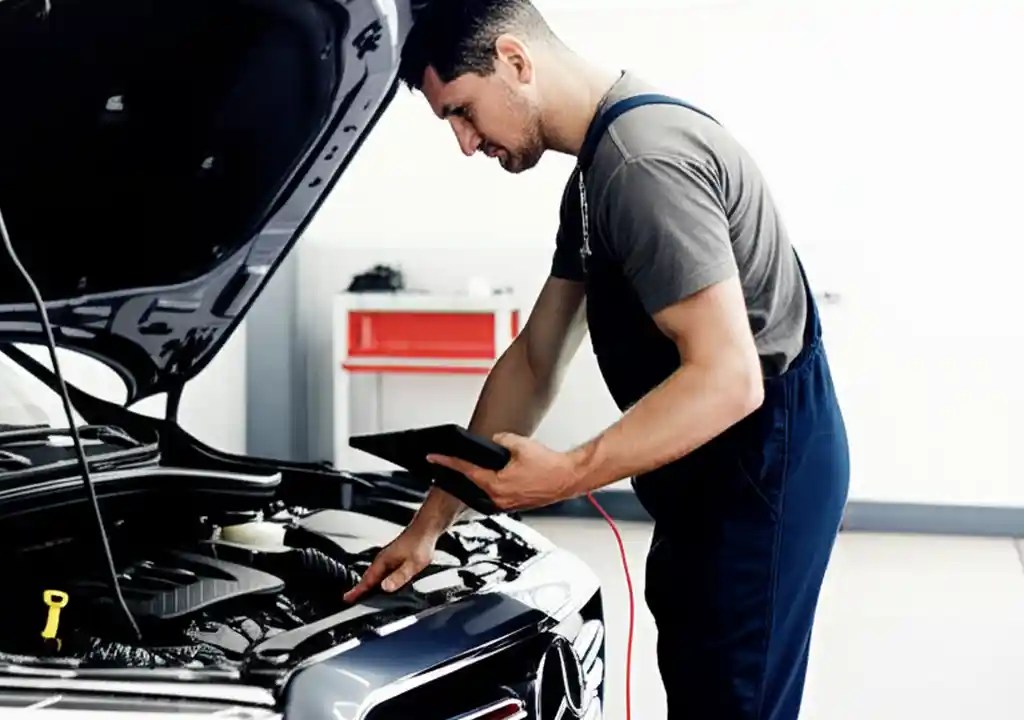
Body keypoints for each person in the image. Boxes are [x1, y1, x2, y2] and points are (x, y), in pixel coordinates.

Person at [340, 1, 851, 718]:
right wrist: (431, 526)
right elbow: (536, 358)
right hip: (704, 465)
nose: (464, 143)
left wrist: (569, 473)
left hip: (759, 468)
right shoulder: (592, 176)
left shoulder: (643, 162)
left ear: (516, 62)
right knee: (702, 680)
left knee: (735, 699)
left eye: (462, 111)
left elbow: (729, 378)